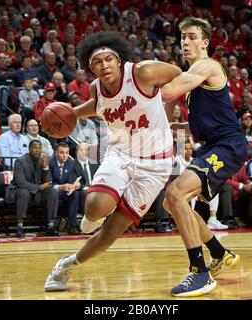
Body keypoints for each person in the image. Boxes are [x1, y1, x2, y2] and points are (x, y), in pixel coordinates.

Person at [44, 31, 181, 292]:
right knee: (95, 207)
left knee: (113, 230)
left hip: (155, 163)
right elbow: (97, 106)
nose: (104, 65)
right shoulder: (96, 88)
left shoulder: (143, 72)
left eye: (109, 59)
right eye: (97, 62)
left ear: (119, 61)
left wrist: (168, 109)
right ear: (90, 68)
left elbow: (177, 74)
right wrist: (69, 115)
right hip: (121, 153)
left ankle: (66, 265)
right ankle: (91, 217)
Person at [160, 17, 246, 296]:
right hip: (210, 146)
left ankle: (200, 273)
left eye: (192, 36)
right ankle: (219, 253)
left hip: (228, 145)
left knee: (175, 194)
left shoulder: (207, 66)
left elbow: (169, 91)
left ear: (205, 42)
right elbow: (177, 113)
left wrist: (139, 84)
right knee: (173, 203)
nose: (185, 41)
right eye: (183, 37)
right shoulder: (192, 79)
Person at [5, 140, 59, 238]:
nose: (38, 150)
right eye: (35, 148)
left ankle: (51, 226)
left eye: (39, 148)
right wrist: (39, 187)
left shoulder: (42, 161)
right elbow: (21, 183)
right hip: (18, 191)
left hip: (35, 193)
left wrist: (46, 167)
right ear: (29, 149)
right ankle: (19, 226)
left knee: (53, 192)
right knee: (24, 192)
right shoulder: (20, 161)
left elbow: (49, 183)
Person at [50, 142, 80, 235]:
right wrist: (60, 187)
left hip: (64, 192)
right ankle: (51, 225)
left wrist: (75, 185)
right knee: (53, 193)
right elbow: (46, 182)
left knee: (75, 194)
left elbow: (72, 179)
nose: (65, 156)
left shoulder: (71, 163)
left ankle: (71, 225)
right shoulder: (50, 162)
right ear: (56, 153)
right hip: (51, 191)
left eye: (67, 153)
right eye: (62, 153)